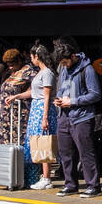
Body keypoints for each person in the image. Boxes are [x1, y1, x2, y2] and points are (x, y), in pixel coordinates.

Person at [53, 38, 102, 197]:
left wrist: (72, 101)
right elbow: (61, 88)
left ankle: (93, 186)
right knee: (65, 153)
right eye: (61, 63)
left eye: (66, 62)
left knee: (86, 152)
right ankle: (70, 184)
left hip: (82, 117)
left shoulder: (87, 69)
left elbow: (95, 94)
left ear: (73, 56)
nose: (64, 65)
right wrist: (59, 99)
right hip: (63, 116)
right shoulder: (62, 69)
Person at [25, 44, 59, 190]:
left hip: (42, 109)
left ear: (37, 56)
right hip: (36, 107)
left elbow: (46, 96)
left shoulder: (47, 73)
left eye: (32, 57)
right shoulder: (41, 72)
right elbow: (35, 93)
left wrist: (44, 117)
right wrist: (16, 96)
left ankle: (46, 177)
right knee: (37, 141)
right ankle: (43, 175)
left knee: (43, 140)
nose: (31, 59)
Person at [0, 49, 36, 154]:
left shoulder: (28, 71)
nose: (10, 67)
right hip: (5, 116)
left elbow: (37, 89)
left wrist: (19, 96)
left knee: (18, 142)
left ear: (19, 60)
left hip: (18, 115)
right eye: (8, 65)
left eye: (12, 64)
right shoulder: (11, 73)